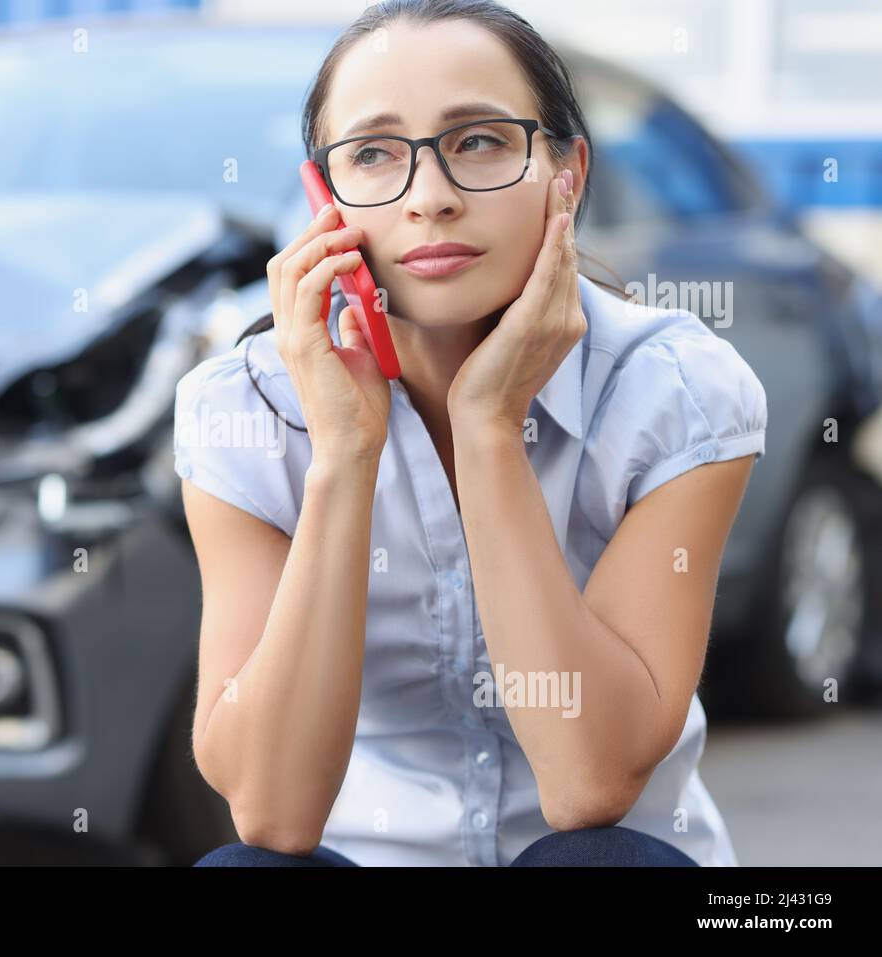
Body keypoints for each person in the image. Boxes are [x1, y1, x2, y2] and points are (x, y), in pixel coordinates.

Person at [175, 0, 765, 867]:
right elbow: (271, 811)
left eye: (480, 141)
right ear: (324, 197)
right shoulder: (246, 409)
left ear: (566, 173)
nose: (431, 199)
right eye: (374, 154)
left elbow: (589, 785)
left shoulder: (673, 389)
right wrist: (342, 456)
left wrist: (490, 426)